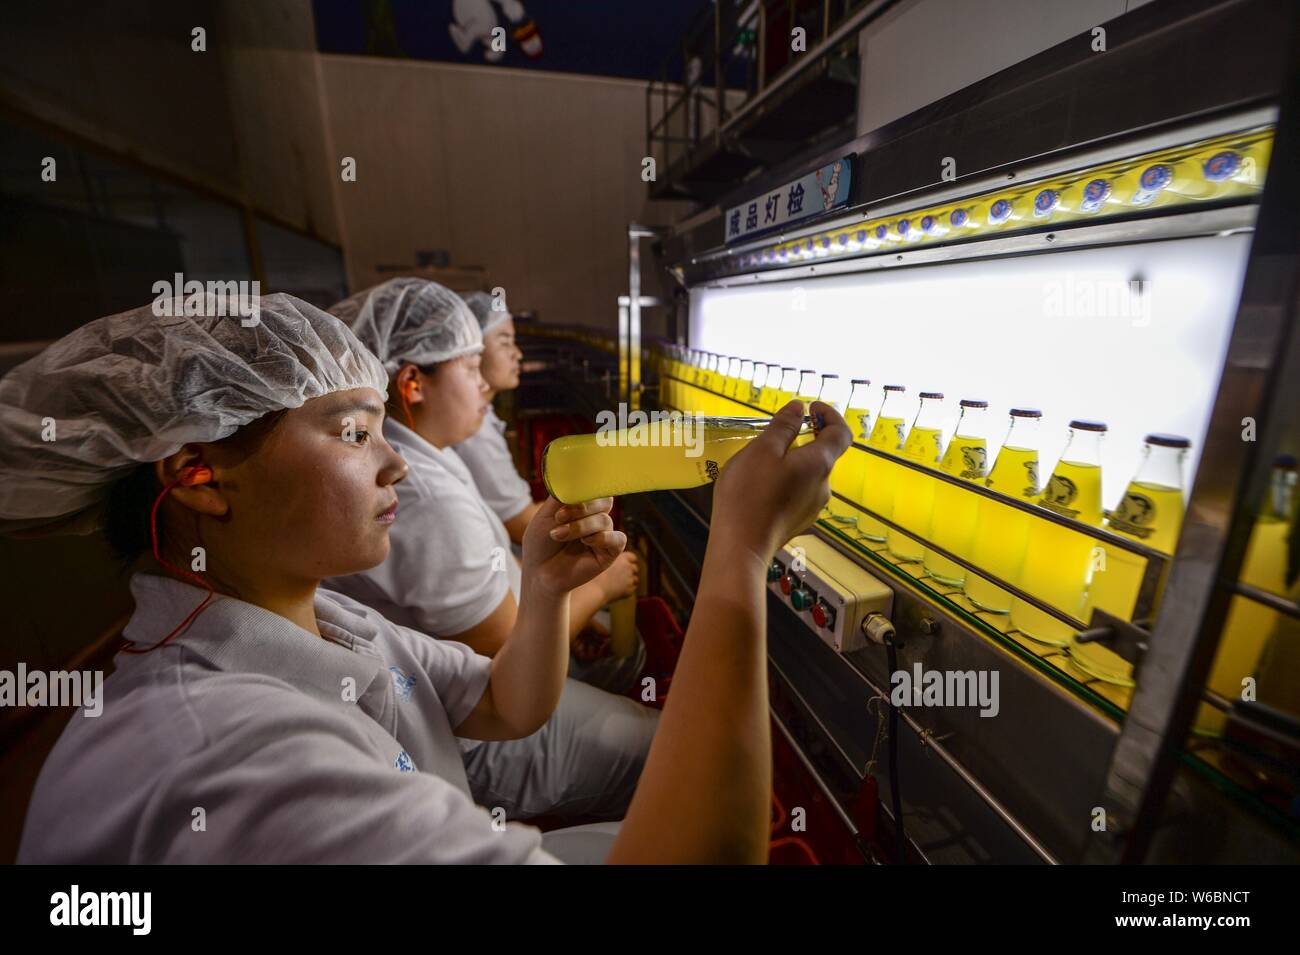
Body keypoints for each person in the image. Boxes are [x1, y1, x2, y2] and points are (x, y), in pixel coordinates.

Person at [3, 292, 851, 863]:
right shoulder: (231, 762)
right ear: (200, 475)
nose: (395, 465)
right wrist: (742, 551)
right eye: (350, 433)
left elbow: (504, 705)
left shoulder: (320, 616)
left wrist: (547, 591)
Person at [324, 279, 654, 821]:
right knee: (659, 748)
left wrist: (552, 586)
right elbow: (507, 660)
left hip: (470, 695)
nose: (484, 385)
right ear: (413, 384)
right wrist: (598, 588)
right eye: (472, 367)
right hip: (474, 739)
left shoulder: (427, 455)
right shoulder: (422, 495)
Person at [451, 290, 540, 541]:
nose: (518, 354)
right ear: (472, 350)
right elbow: (522, 525)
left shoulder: (482, 416)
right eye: (505, 342)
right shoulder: (472, 430)